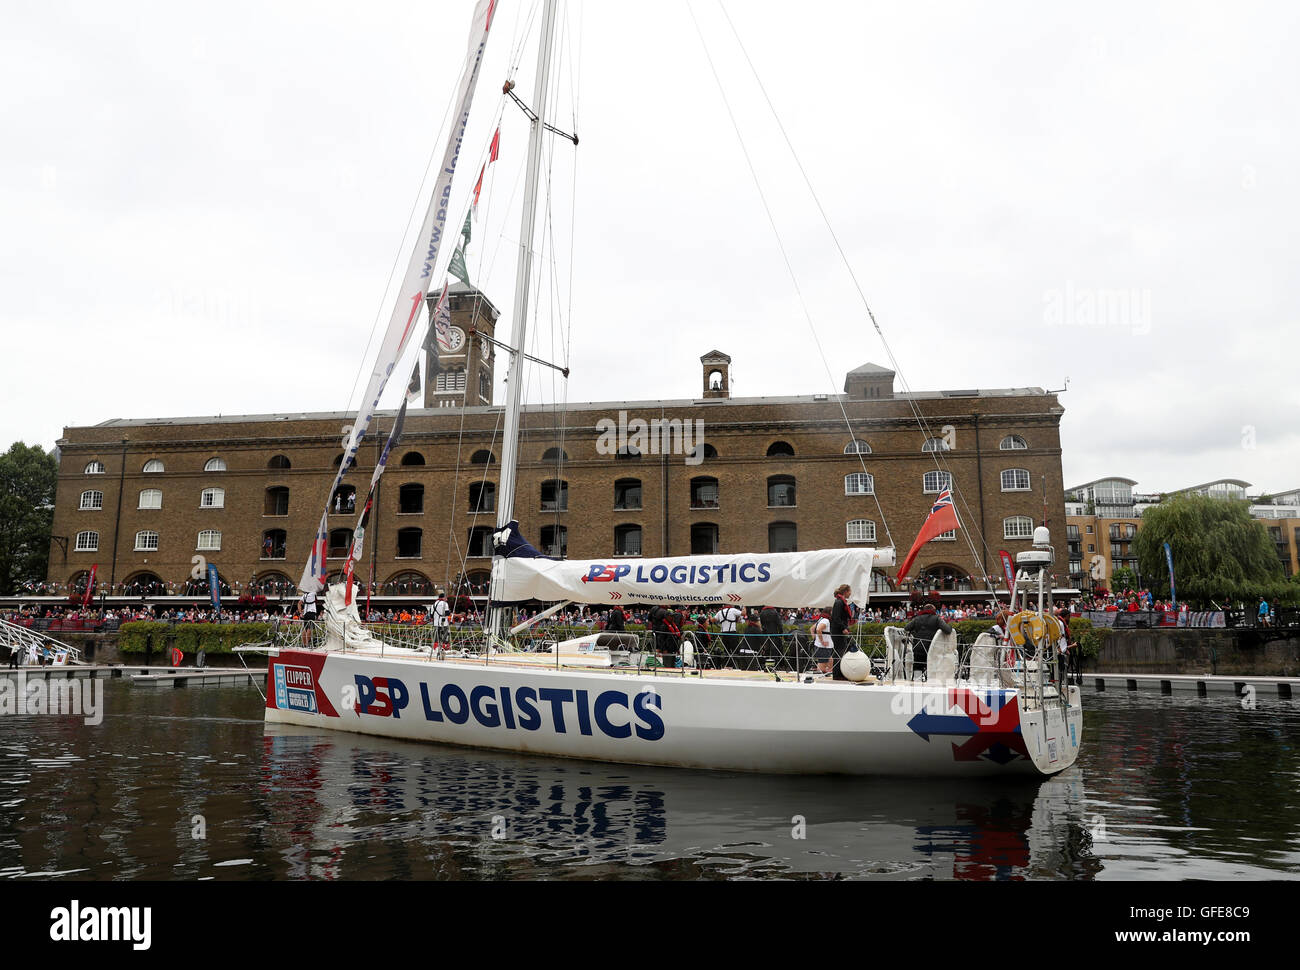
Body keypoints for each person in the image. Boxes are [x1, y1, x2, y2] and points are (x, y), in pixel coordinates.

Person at [904, 603, 952, 682]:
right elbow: (948, 630)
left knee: (917, 667)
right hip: (931, 649)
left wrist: (914, 631)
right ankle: (932, 682)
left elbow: (906, 628)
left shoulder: (917, 619)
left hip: (918, 648)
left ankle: (917, 681)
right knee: (932, 667)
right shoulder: (936, 619)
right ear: (933, 610)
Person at [829, 583, 856, 680]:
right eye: (849, 591)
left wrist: (846, 628)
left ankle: (839, 673)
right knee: (838, 652)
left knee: (841, 652)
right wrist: (843, 628)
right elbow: (836, 618)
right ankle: (837, 675)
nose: (850, 593)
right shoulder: (839, 602)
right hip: (837, 632)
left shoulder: (841, 602)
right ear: (845, 592)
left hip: (839, 631)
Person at [811, 609, 833, 675]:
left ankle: (829, 675)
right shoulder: (826, 620)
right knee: (822, 667)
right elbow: (818, 629)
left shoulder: (821, 619)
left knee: (830, 661)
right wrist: (822, 641)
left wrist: (815, 638)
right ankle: (819, 680)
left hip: (822, 646)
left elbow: (812, 629)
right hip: (823, 646)